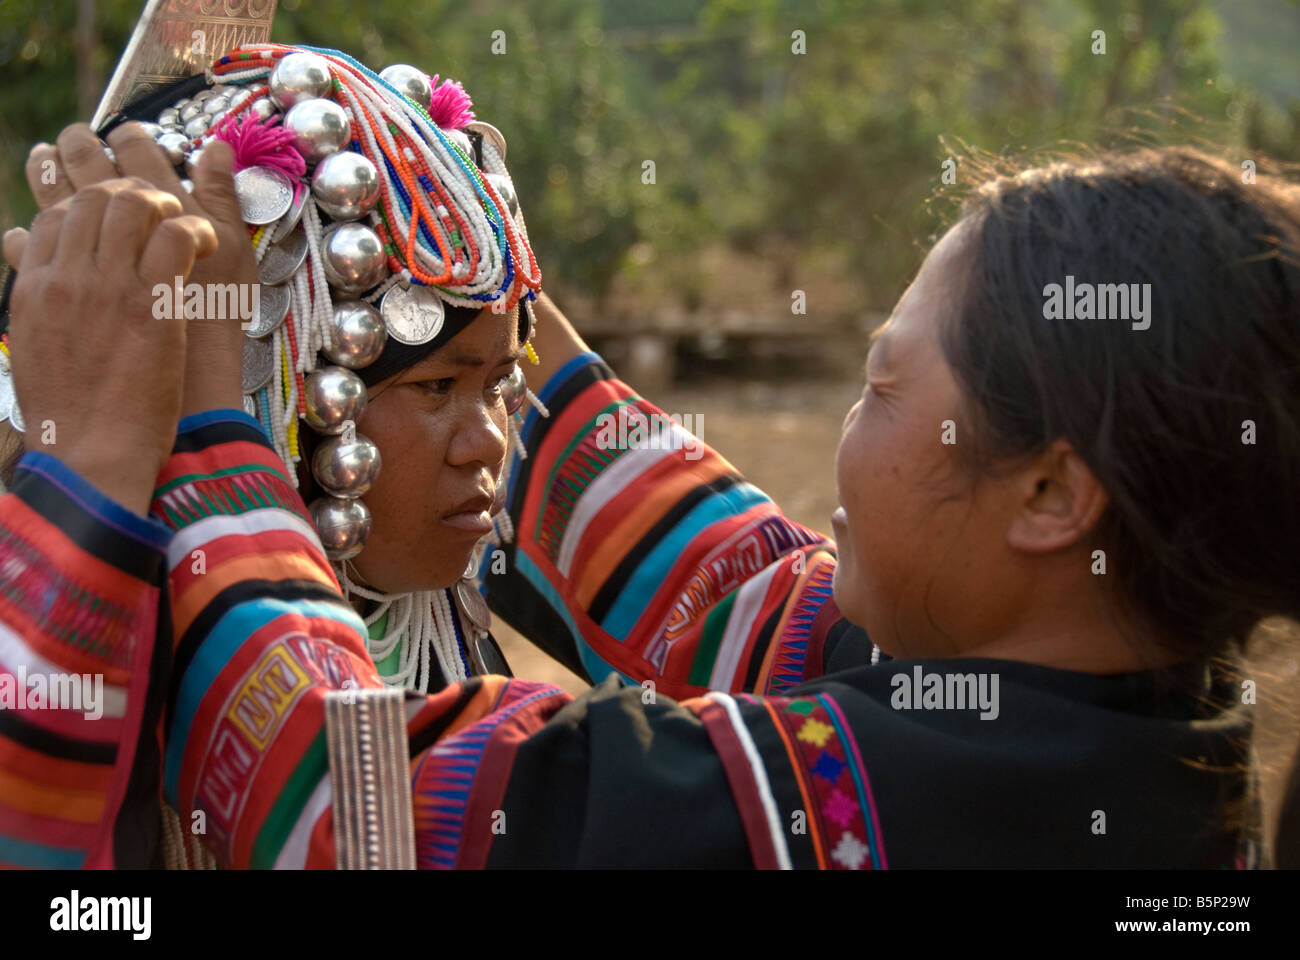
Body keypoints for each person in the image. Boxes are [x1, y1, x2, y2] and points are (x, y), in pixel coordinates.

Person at [4, 124, 1298, 864]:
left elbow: (351, 810)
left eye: (882, 387)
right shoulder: (1130, 716)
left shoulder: (893, 817)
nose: (851, 433)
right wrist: (470, 248)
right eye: (443, 392)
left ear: (1051, 490)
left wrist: (208, 415)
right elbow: (724, 586)